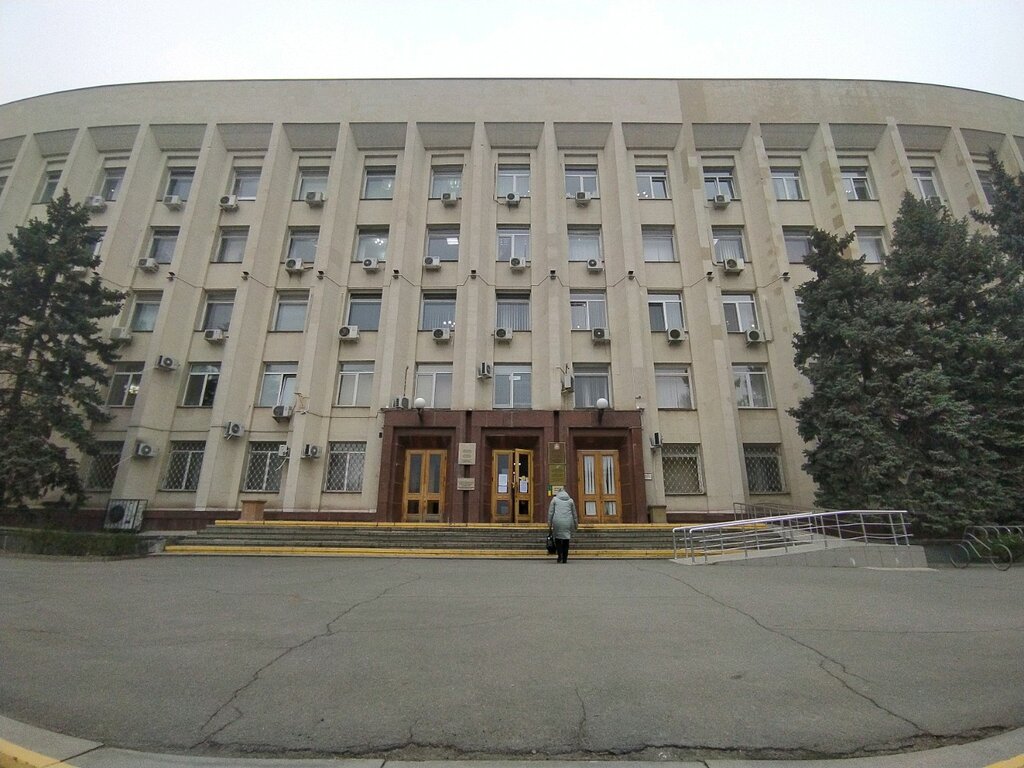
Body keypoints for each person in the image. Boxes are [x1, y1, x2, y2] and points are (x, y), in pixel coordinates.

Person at [547, 488, 579, 563]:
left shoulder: (554, 500)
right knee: (566, 540)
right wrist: (576, 524)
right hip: (568, 522)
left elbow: (550, 513)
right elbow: (574, 514)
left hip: (557, 521)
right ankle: (565, 558)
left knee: (557, 539)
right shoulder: (570, 500)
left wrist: (549, 523)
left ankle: (559, 556)